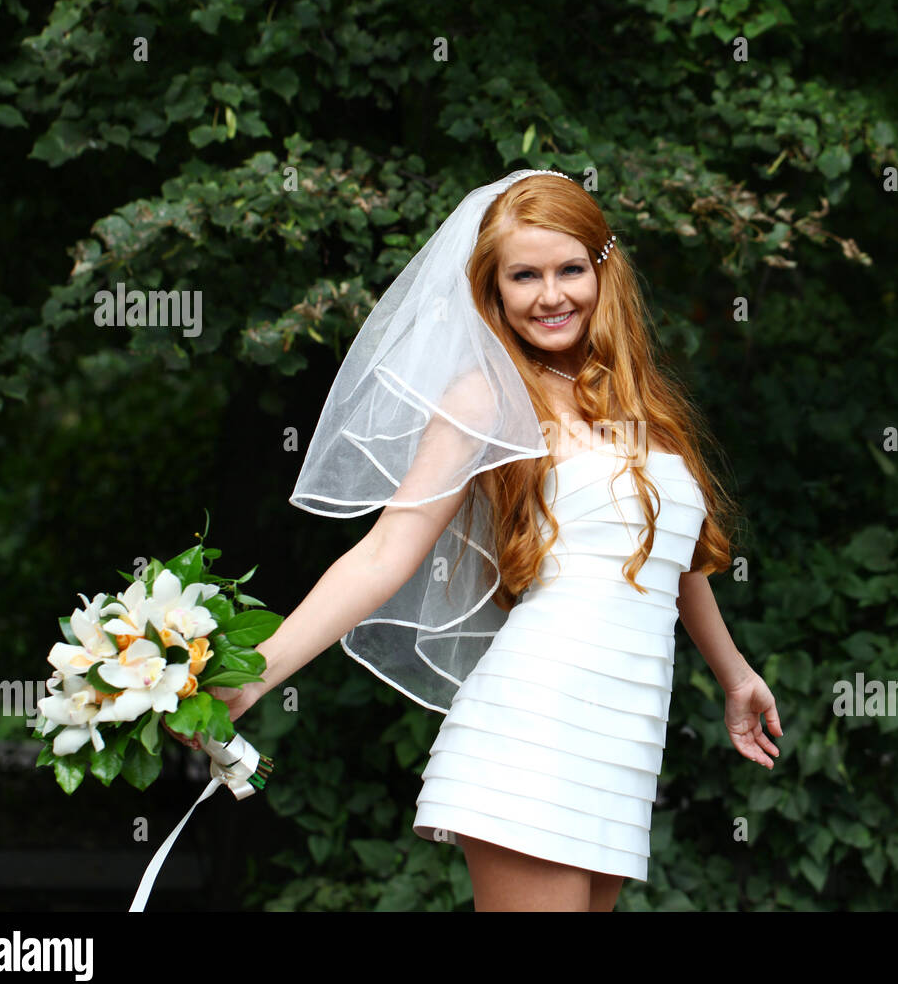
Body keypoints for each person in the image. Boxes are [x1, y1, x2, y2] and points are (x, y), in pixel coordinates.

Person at [171, 169, 782, 911]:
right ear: (493, 288)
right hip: (535, 726)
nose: (550, 294)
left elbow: (664, 555)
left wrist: (734, 672)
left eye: (568, 270)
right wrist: (258, 673)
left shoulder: (639, 404)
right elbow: (384, 551)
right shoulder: (487, 396)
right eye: (524, 275)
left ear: (603, 267)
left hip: (624, 739)